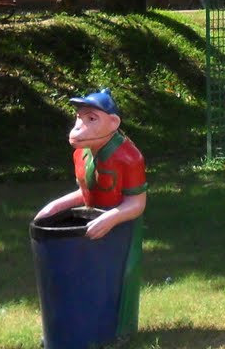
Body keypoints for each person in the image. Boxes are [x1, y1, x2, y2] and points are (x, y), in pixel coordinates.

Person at [34, 89, 147, 337]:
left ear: (113, 122)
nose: (79, 127)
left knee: (117, 284)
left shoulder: (129, 158)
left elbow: (137, 202)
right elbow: (86, 193)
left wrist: (112, 217)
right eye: (79, 118)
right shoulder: (81, 153)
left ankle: (117, 332)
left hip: (120, 230)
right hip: (91, 223)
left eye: (91, 119)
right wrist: (55, 207)